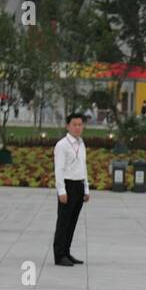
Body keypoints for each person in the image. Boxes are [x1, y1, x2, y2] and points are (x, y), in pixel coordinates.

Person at [52, 112, 90, 266]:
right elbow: (59, 169)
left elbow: (83, 166)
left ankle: (67, 252)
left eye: (80, 125)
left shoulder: (81, 144)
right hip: (68, 185)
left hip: (79, 185)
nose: (77, 127)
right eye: (74, 125)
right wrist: (61, 190)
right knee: (63, 222)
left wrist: (86, 188)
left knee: (72, 222)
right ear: (68, 126)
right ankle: (59, 255)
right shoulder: (62, 145)